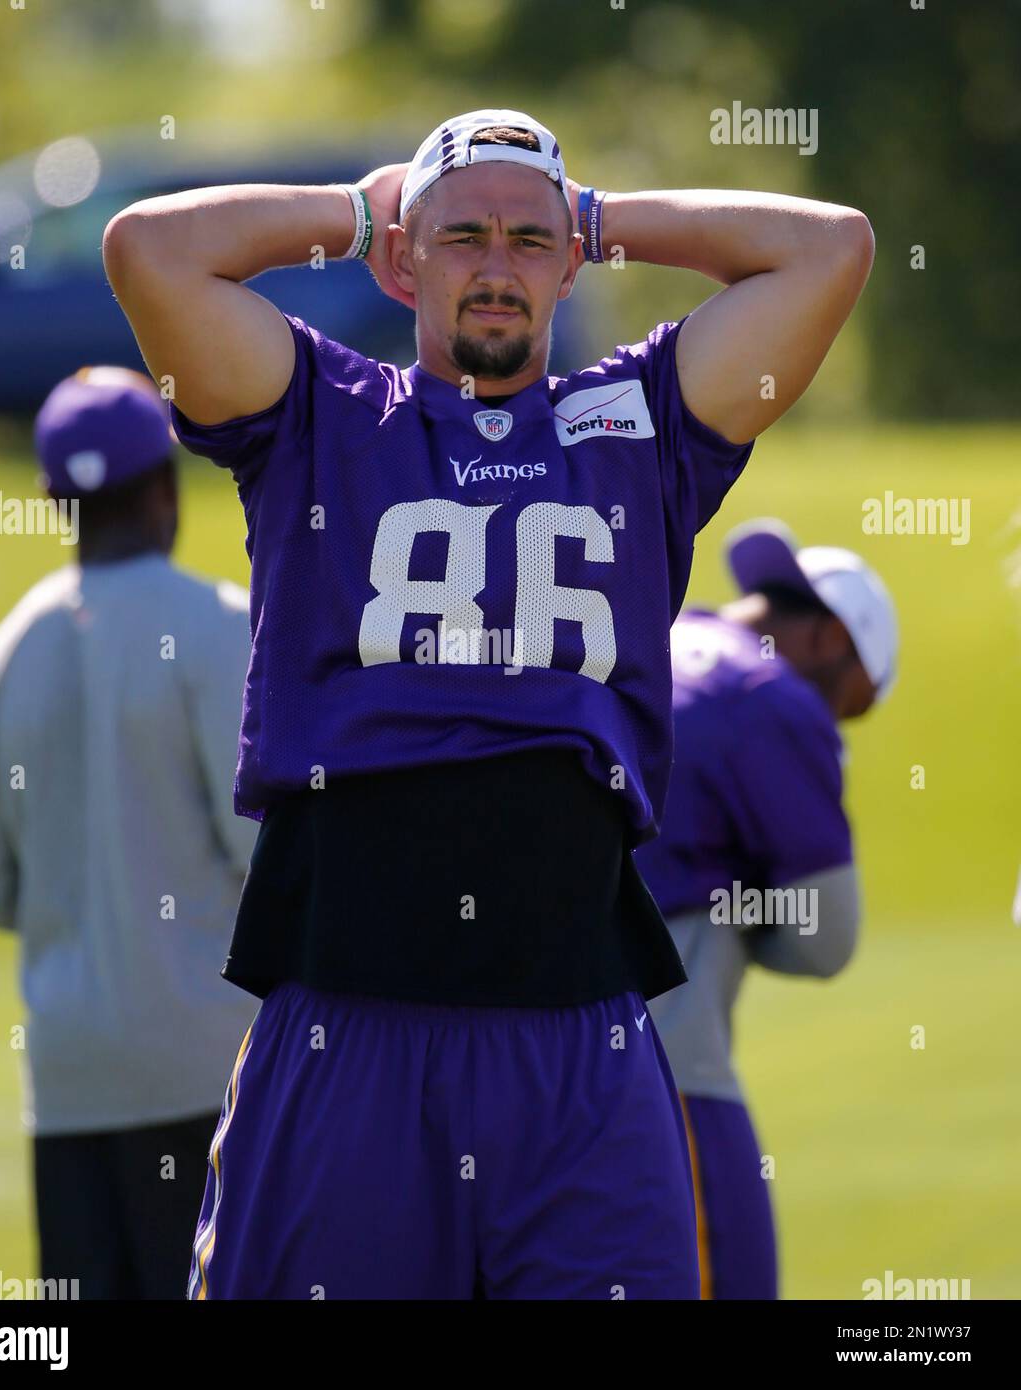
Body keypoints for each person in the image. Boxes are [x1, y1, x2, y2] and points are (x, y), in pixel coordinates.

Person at [101, 108, 874, 1300]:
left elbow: (832, 248)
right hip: (347, 1011)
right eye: (463, 237)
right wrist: (358, 208)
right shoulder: (321, 410)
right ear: (405, 259)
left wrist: (604, 219)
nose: (499, 268)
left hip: (581, 1024)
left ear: (570, 260)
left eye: (530, 240)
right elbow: (147, 250)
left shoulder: (639, 423)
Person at [0, 367, 258, 1299]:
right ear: (165, 485)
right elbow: (265, 857)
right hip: (212, 1077)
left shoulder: (4, 654)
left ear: (55, 501)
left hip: (69, 1082)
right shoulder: (220, 628)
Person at [634, 517, 899, 1300]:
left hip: (499, 1053)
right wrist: (741, 910)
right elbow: (828, 940)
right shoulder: (769, 692)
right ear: (823, 639)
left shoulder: (651, 630)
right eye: (849, 706)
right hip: (664, 1069)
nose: (836, 727)